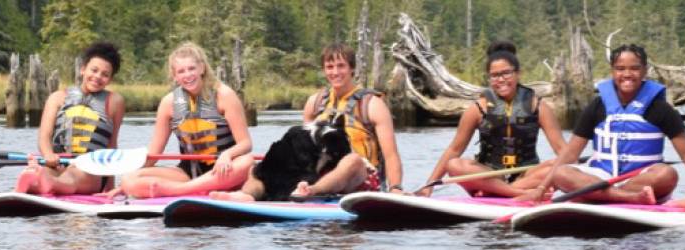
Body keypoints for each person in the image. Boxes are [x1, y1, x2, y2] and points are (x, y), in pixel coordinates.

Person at [210, 43, 404, 202]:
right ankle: (246, 196)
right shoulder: (315, 103)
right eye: (330, 67)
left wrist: (395, 189)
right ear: (324, 70)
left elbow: (391, 155)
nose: (335, 72)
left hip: (360, 177)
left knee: (351, 160)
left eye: (341, 66)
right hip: (319, 173)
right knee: (261, 168)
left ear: (352, 68)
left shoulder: (372, 105)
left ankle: (311, 191)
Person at [539, 44, 685, 205]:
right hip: (600, 176)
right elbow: (570, 153)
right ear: (612, 72)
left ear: (644, 71)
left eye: (634, 68)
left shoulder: (661, 109)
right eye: (620, 69)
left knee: (667, 174)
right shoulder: (597, 106)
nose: (627, 74)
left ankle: (599, 195)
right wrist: (542, 189)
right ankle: (629, 198)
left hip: (639, 178)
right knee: (562, 173)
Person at [416, 41, 565, 200]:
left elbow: (563, 150)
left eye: (506, 73)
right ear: (489, 78)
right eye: (495, 75)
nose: (501, 80)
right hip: (489, 176)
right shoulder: (477, 108)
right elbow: (454, 150)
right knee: (454, 164)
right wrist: (428, 187)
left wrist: (575, 171)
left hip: (527, 176)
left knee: (560, 165)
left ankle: (498, 192)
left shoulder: (539, 107)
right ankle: (519, 194)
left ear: (518, 73)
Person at [112, 42, 256, 199]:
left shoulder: (225, 95)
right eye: (181, 71)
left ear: (202, 68)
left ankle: (178, 191)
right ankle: (198, 190)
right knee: (130, 179)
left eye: (192, 68)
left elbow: (245, 144)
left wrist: (227, 155)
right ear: (174, 76)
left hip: (224, 169)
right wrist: (124, 186)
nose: (187, 75)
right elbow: (154, 153)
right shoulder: (168, 103)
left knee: (247, 162)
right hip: (187, 172)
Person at [16, 42, 126, 195]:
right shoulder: (57, 98)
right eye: (94, 70)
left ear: (110, 79)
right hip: (57, 165)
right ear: (83, 69)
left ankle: (48, 183)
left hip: (91, 170)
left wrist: (109, 188)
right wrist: (48, 155)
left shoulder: (115, 102)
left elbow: (111, 146)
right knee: (46, 171)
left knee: (74, 174)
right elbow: (44, 136)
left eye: (105, 74)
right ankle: (36, 180)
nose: (97, 77)